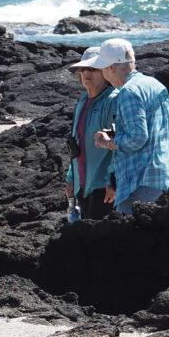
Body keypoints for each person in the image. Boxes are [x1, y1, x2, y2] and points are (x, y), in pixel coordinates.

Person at [90, 38, 169, 211]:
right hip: (163, 178)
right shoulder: (155, 84)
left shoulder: (128, 91)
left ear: (112, 68)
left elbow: (137, 138)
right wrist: (118, 132)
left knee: (131, 236)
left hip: (138, 185)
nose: (104, 75)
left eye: (103, 69)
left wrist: (107, 143)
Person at [63, 46, 117, 220]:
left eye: (93, 69)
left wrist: (113, 181)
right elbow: (75, 143)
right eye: (83, 69)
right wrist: (71, 179)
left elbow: (119, 142)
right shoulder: (82, 101)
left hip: (104, 186)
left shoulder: (112, 100)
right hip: (82, 185)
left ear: (106, 72)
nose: (87, 73)